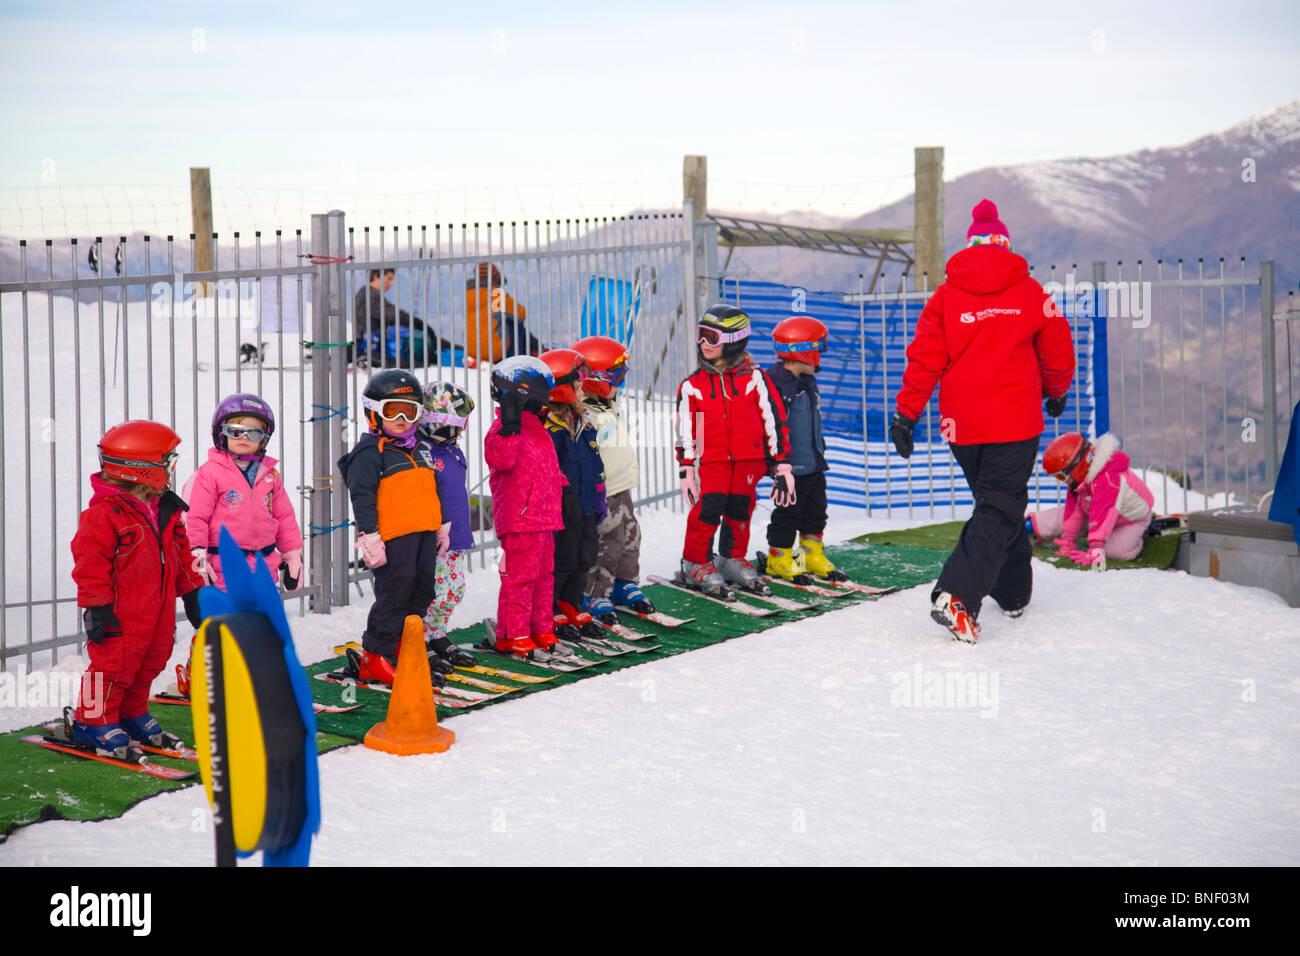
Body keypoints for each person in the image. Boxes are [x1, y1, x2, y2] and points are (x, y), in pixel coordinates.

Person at [891, 198, 1075, 642]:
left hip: (963, 426)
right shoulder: (1030, 292)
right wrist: (1055, 391)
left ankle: (1013, 594)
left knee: (998, 504)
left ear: (971, 246)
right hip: (1014, 423)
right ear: (1005, 245)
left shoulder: (946, 297)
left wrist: (906, 413)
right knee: (999, 506)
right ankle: (957, 594)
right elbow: (1058, 349)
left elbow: (924, 360)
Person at [70, 421, 205, 758]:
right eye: (164, 460)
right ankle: (92, 718)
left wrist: (192, 593)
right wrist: (96, 605)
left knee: (151, 659)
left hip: (157, 610)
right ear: (142, 469)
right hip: (121, 612)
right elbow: (90, 563)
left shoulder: (165, 509)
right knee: (113, 665)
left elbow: (181, 553)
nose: (169, 466)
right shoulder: (104, 515)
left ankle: (130, 712)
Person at [338, 370, 450, 684]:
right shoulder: (370, 453)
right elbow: (361, 496)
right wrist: (369, 535)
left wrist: (440, 525)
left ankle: (406, 649)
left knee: (423, 590)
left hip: (424, 533)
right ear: (373, 412)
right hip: (394, 537)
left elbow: (433, 489)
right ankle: (375, 656)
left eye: (410, 410)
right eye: (392, 410)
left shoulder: (421, 448)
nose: (402, 417)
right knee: (394, 594)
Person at [674, 304, 793, 597]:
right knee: (707, 511)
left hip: (748, 461)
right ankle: (695, 562)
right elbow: (686, 430)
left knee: (741, 510)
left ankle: (730, 558)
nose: (703, 344)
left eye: (711, 337)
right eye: (701, 336)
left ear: (733, 340)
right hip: (713, 462)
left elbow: (774, 421)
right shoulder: (693, 386)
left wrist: (782, 464)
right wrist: (687, 466)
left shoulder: (755, 379)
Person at [483, 355, 570, 658]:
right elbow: (501, 460)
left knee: (545, 578)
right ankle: (512, 634)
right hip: (521, 520)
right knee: (520, 580)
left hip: (545, 518)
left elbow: (543, 467)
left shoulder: (537, 427)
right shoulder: (503, 428)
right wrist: (509, 427)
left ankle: (540, 628)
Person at [573, 334, 657, 620]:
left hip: (622, 487)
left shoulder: (608, 404)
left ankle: (624, 583)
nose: (619, 385)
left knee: (631, 537)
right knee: (607, 543)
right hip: (602, 491)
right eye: (615, 377)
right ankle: (594, 593)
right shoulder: (586, 414)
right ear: (595, 380)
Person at [182, 393, 303, 591]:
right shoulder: (209, 474)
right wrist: (197, 554)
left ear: (263, 439)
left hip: (263, 569)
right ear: (221, 433)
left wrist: (292, 554)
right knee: (229, 622)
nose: (245, 438)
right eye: (236, 431)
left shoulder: (270, 475)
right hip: (223, 572)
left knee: (261, 621)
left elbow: (284, 517)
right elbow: (194, 517)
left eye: (254, 433)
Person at [761, 316, 846, 583]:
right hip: (790, 465)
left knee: (816, 509)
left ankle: (811, 554)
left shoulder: (806, 381)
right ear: (806, 351)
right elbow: (772, 427)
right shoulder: (778, 384)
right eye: (819, 348)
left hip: (812, 463)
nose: (821, 355)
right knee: (788, 513)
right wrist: (778, 464)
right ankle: (779, 557)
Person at [541, 348, 608, 640]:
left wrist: (600, 492)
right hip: (563, 508)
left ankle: (572, 602)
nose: (583, 388)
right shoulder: (548, 427)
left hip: (586, 504)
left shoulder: (584, 421)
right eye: (577, 383)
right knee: (562, 559)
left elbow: (594, 461)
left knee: (584, 556)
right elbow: (547, 470)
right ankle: (552, 605)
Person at [418, 381, 478, 669]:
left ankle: (437, 633)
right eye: (451, 427)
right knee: (431, 593)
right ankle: (421, 640)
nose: (457, 433)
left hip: (455, 536)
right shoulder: (423, 453)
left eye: (459, 427)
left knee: (453, 590)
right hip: (433, 537)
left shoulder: (453, 452)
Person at [1028, 432, 1155, 564]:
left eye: (1061, 476)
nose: (1062, 481)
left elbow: (1103, 516)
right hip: (1094, 512)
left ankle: (1141, 535)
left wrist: (1095, 550)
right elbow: (1073, 511)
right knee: (1059, 518)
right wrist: (1068, 540)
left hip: (1130, 520)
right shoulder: (1078, 480)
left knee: (1115, 552)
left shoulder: (1108, 480)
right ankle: (1030, 525)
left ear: (1078, 466)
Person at [353, 268, 457, 369]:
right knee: (423, 339)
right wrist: (416, 323)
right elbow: (393, 315)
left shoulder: (367, 294)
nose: (391, 284)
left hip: (377, 343)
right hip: (375, 345)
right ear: (376, 276)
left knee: (430, 340)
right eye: (389, 279)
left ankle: (453, 349)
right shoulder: (370, 296)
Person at [464, 262, 545, 363]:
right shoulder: (495, 294)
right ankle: (518, 359)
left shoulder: (468, 294)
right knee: (516, 323)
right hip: (493, 351)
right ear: (495, 278)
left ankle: (535, 348)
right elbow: (521, 314)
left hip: (472, 350)